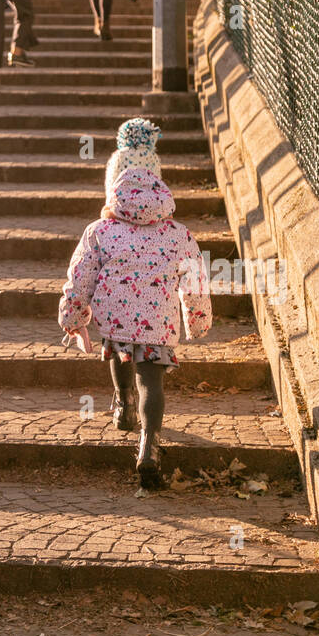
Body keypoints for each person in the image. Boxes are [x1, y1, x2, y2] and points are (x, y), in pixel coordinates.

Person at [58, 118, 211, 489]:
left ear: (113, 187)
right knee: (151, 381)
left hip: (116, 316)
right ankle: (149, 446)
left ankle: (123, 404)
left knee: (120, 353)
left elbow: (81, 278)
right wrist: (197, 319)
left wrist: (73, 315)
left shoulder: (100, 231)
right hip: (158, 321)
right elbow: (195, 281)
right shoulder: (178, 234)